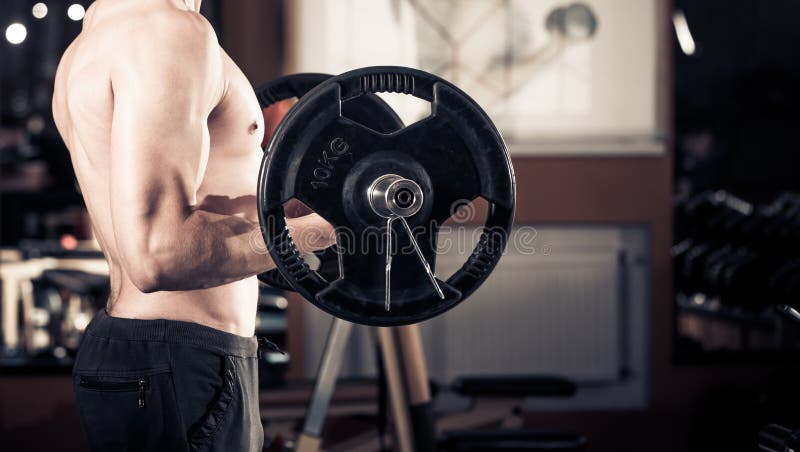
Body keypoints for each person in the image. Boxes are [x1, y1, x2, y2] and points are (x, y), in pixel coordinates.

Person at [52, 0, 333, 450]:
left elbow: (189, 212)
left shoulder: (98, 36)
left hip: (156, 353)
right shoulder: (169, 31)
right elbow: (160, 254)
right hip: (181, 359)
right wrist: (336, 228)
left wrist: (305, 214)